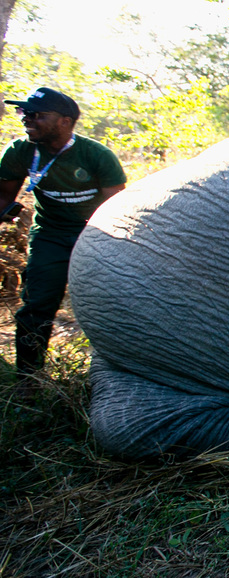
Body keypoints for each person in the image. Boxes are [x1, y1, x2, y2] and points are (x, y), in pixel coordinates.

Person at [0, 87, 127, 380]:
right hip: (50, 236)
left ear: (64, 121)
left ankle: (111, 376)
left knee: (110, 305)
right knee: (36, 305)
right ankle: (28, 380)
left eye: (36, 115)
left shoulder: (96, 155)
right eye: (24, 113)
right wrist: (5, 210)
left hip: (97, 235)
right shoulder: (21, 150)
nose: (26, 119)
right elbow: (3, 196)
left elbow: (117, 210)